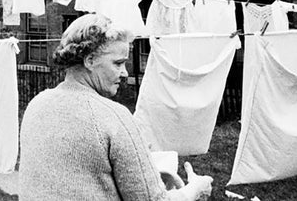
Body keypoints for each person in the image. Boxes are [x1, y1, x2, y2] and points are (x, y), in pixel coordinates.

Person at [19, 13, 213, 201]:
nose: (124, 73)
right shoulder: (113, 117)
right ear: (90, 60)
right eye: (118, 63)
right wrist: (193, 191)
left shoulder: (37, 104)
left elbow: (74, 176)